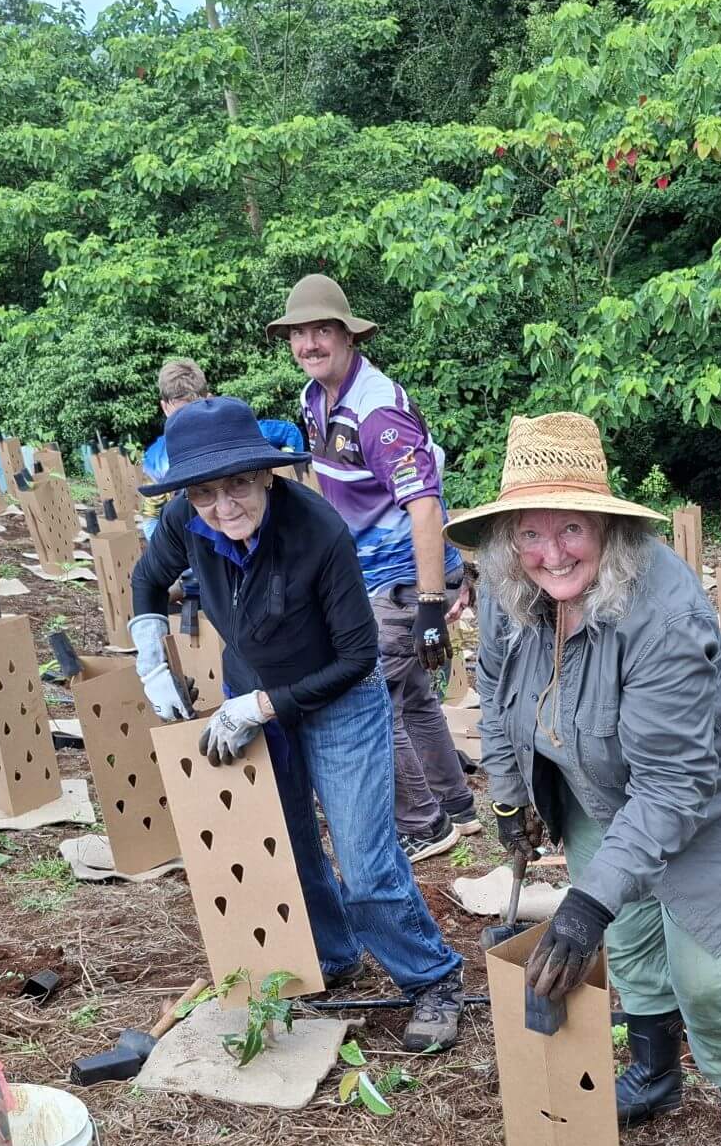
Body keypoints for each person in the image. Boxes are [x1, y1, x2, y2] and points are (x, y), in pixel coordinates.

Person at [457, 411, 721, 1146]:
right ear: (507, 539)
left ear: (604, 527)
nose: (551, 552)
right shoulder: (510, 593)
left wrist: (587, 901)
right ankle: (654, 1069)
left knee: (709, 970)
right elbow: (499, 699)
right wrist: (509, 798)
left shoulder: (663, 610)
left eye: (569, 527)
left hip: (709, 795)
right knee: (632, 942)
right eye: (529, 533)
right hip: (594, 781)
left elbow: (678, 782)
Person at [127, 397, 468, 1052]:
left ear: (263, 474)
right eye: (205, 492)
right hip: (250, 695)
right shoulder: (183, 521)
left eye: (237, 485)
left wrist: (259, 706)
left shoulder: (316, 530)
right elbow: (148, 580)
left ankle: (431, 978)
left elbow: (356, 657)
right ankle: (331, 956)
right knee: (286, 843)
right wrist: (151, 660)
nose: (224, 505)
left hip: (338, 696)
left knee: (365, 860)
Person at [271, 273, 478, 861]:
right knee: (412, 695)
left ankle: (422, 822)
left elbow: (425, 503)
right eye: (300, 333)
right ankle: (457, 808)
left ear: (347, 335)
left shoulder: (375, 411)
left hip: (403, 579)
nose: (310, 343)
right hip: (367, 573)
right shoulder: (317, 398)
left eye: (322, 331)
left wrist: (433, 606)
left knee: (371, 697)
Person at [139, 357, 305, 539]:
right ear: (165, 408)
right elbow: (152, 515)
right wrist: (173, 549)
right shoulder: (156, 458)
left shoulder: (244, 433)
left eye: (195, 411)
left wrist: (283, 482)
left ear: (209, 400)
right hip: (200, 541)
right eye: (182, 415)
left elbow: (290, 432)